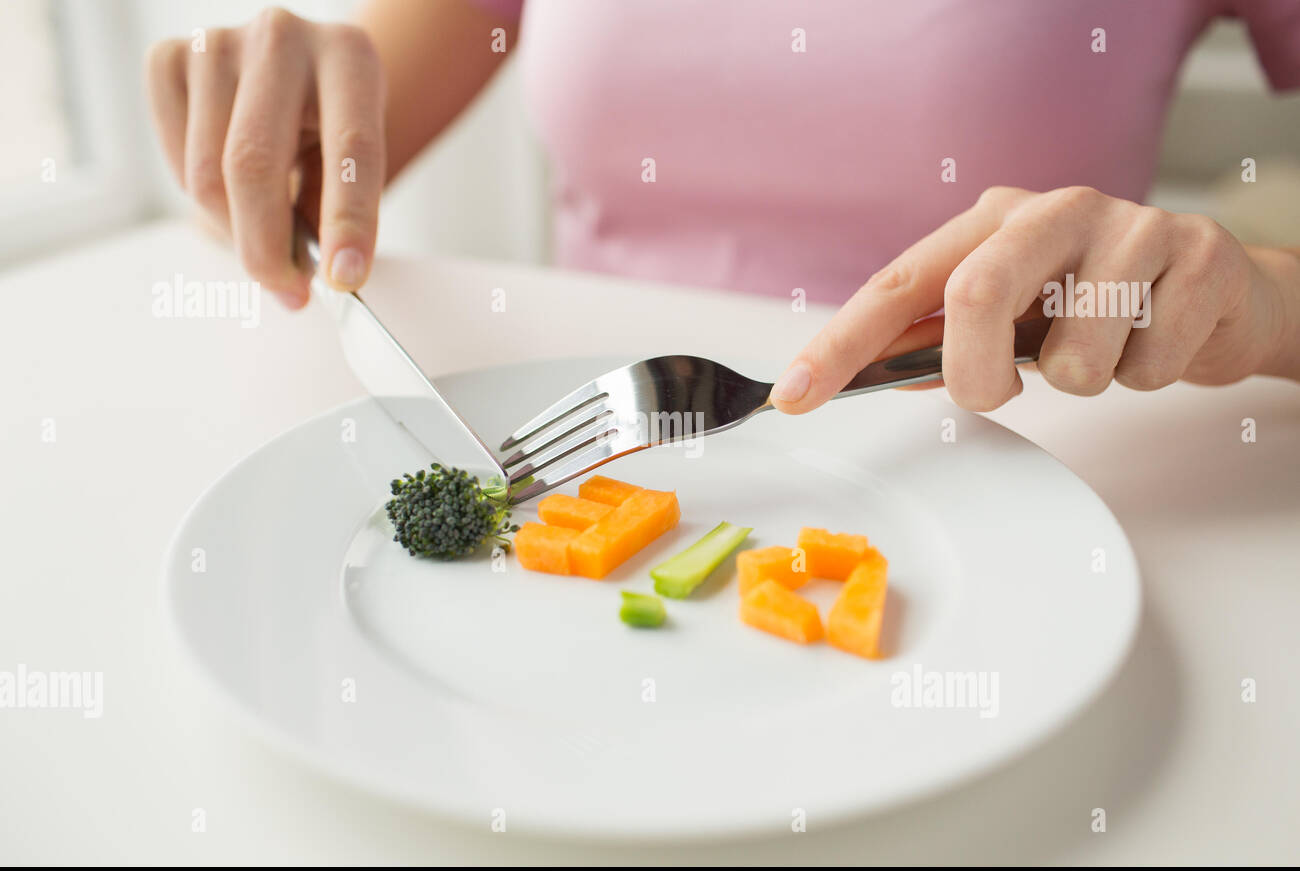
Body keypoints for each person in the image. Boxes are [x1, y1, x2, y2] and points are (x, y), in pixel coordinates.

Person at [146, 0, 1300, 414]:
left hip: (1055, 480)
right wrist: (259, 128)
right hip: (619, 510)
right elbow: (295, 174)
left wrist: (1258, 293)